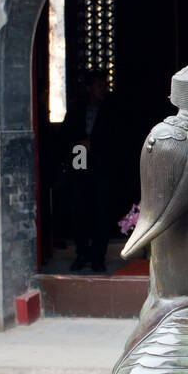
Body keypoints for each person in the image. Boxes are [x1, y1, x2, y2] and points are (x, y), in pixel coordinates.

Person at [64, 71, 117, 272]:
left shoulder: (112, 108)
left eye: (104, 85)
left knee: (101, 213)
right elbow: (66, 134)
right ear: (89, 88)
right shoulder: (77, 108)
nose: (102, 90)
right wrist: (78, 145)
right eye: (98, 86)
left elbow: (117, 135)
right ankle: (81, 254)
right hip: (79, 164)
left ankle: (98, 257)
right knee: (79, 211)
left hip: (102, 166)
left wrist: (92, 144)